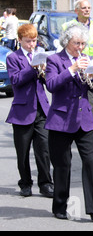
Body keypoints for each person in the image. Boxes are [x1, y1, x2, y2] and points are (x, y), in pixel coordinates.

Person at [44, 23, 93, 221]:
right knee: (62, 165)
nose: (81, 47)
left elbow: (92, 90)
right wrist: (72, 69)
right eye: (77, 43)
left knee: (90, 163)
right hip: (61, 120)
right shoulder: (54, 60)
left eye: (83, 43)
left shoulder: (86, 59)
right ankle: (59, 206)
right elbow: (51, 85)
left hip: (84, 119)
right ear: (67, 42)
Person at [6, 24, 53, 198]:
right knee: (23, 151)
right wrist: (33, 68)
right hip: (22, 111)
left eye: (34, 41)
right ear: (19, 40)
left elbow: (49, 83)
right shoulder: (13, 57)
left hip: (41, 109)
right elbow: (16, 80)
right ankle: (25, 183)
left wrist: (45, 72)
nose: (32, 45)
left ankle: (46, 183)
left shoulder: (40, 56)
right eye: (28, 41)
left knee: (44, 149)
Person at [63, 0, 93, 140]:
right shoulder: (68, 26)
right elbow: (62, 47)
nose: (87, 10)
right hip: (75, 66)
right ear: (76, 10)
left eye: (89, 7)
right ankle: (74, 125)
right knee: (75, 98)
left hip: (92, 67)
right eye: (84, 8)